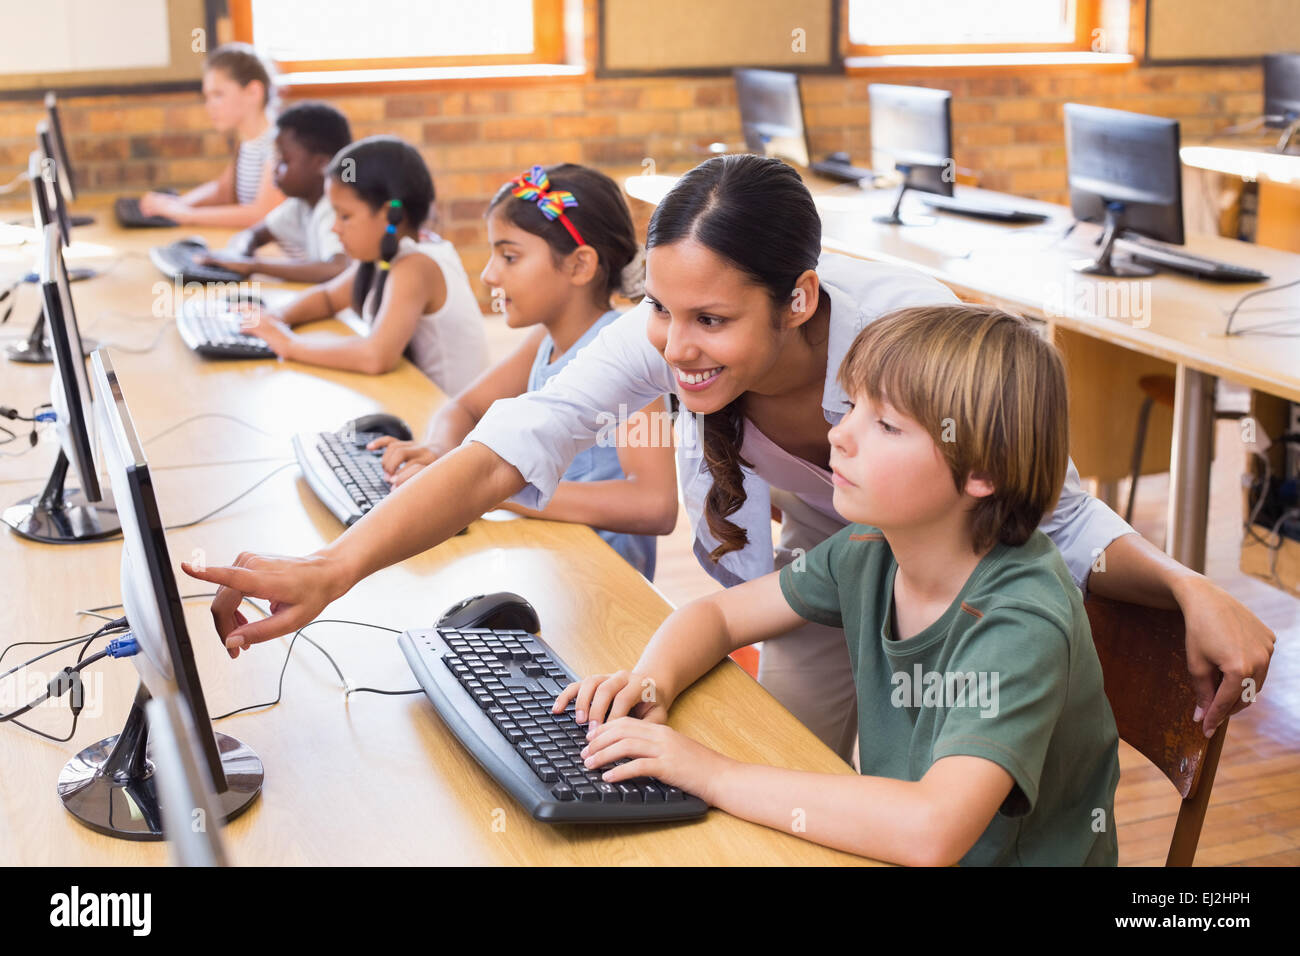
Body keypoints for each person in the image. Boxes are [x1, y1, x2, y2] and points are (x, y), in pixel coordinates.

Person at [183, 154, 1273, 756]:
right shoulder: (662, 335)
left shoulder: (904, 335)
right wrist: (332, 573)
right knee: (750, 778)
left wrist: (1184, 584)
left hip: (962, 602)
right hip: (820, 585)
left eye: (709, 319)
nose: (673, 344)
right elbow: (508, 450)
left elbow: (1052, 508)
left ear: (799, 298)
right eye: (660, 308)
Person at [559, 304, 1121, 865]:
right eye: (852, 406)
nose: (841, 435)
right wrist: (650, 684)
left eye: (887, 425)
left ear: (983, 472)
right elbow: (720, 617)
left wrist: (712, 773)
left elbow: (932, 831)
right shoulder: (873, 546)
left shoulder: (1019, 620)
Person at [370, 163, 676, 579]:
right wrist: (441, 453)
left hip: (603, 586)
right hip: (548, 562)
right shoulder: (545, 340)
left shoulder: (626, 355)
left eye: (509, 256)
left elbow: (653, 506)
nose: (488, 274)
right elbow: (465, 408)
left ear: (579, 266)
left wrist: (491, 491)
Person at [235, 135, 489, 392]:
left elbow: (375, 356)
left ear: (391, 214)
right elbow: (328, 298)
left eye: (345, 216)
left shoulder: (416, 266)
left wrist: (289, 345)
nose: (335, 227)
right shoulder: (384, 254)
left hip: (453, 420)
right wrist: (277, 317)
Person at [199, 101, 352, 283]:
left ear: (321, 164)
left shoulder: (334, 208)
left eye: (284, 161)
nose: (275, 169)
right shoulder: (300, 203)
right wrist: (237, 254)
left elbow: (338, 268)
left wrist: (254, 265)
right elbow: (254, 234)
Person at [137, 43, 282, 229]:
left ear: (254, 92)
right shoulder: (248, 143)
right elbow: (221, 190)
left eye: (218, 95)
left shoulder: (279, 144)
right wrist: (178, 204)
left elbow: (261, 214)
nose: (209, 106)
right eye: (207, 97)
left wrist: (188, 215)